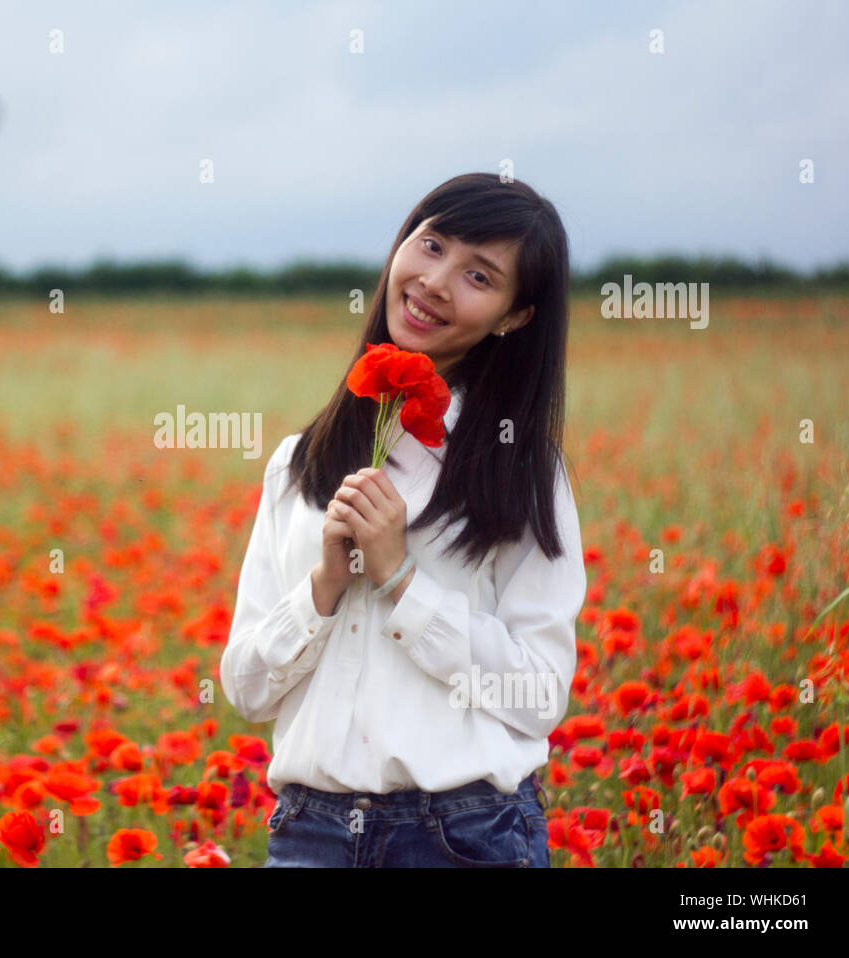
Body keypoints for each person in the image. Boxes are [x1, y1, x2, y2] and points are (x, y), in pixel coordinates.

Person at [219, 172, 587, 867]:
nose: (436, 282)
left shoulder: (525, 470)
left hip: (463, 835)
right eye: (432, 244)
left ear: (515, 315)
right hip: (308, 835)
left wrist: (400, 583)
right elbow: (246, 688)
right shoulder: (297, 464)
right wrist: (323, 587)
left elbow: (539, 693)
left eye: (478, 274)